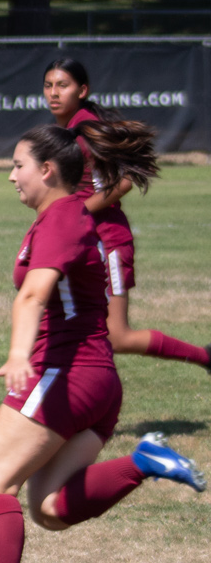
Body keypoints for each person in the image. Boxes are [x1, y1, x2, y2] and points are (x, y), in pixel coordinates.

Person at [0, 122, 203, 563]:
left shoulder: (64, 219)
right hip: (97, 380)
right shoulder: (65, 216)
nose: (10, 176)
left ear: (46, 170)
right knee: (50, 510)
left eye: (17, 165)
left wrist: (20, 353)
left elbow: (33, 294)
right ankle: (144, 461)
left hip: (67, 374)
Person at [42, 57, 210, 371]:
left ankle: (206, 358)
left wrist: (75, 211)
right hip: (83, 242)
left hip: (107, 243)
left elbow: (124, 182)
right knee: (67, 325)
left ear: (82, 90)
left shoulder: (87, 129)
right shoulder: (68, 129)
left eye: (62, 85)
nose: (53, 93)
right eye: (49, 85)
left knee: (116, 336)